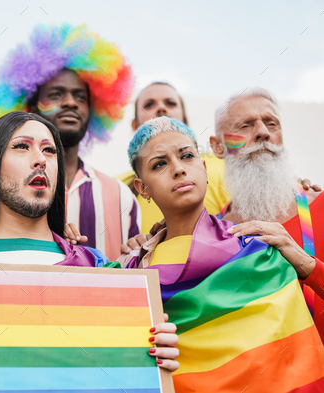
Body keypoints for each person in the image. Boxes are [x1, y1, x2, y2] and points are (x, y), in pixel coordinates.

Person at [0, 112, 180, 393]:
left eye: (49, 150)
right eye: (22, 146)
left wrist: (154, 356)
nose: (41, 159)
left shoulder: (95, 266)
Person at [125, 116, 324, 392]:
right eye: (160, 164)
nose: (179, 169)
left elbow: (291, 356)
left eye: (187, 156)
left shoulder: (257, 249)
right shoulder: (132, 271)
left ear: (204, 168)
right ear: (142, 188)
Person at [0, 23, 139, 261]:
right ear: (30, 107)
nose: (71, 102)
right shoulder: (2, 187)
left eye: (80, 96)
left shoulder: (121, 195)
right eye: (56, 95)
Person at [206, 87, 324, 339]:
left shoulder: (321, 204)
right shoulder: (213, 233)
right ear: (218, 146)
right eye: (245, 126)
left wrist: (306, 265)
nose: (263, 132)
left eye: (271, 123)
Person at [115, 82, 228, 234]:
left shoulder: (225, 168)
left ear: (184, 121)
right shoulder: (116, 187)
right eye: (149, 105)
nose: (161, 108)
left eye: (171, 103)